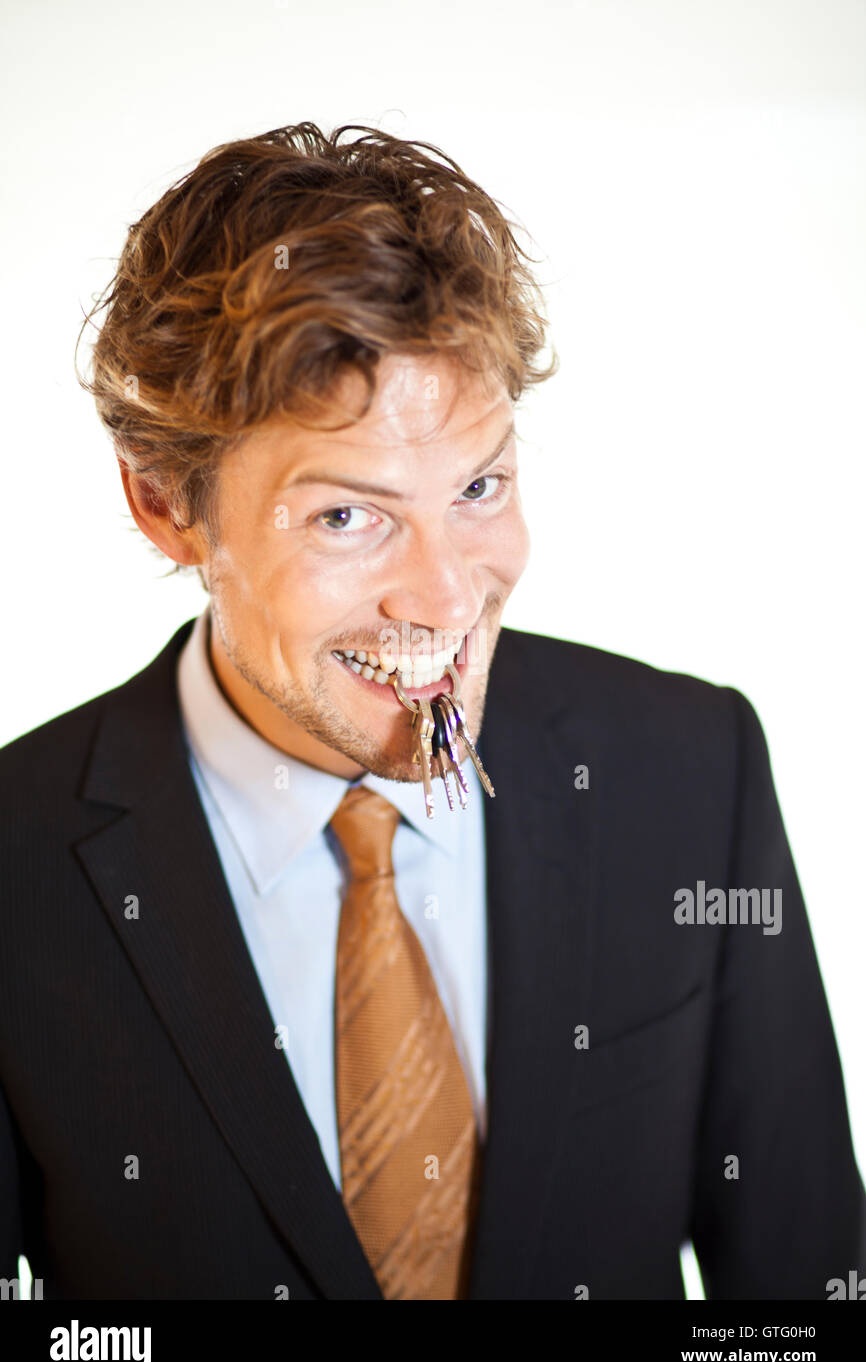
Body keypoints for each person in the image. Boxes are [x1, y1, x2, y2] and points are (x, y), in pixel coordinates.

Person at [1, 122, 863, 1302]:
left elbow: (805, 1298)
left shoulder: (689, 768)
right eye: (347, 517)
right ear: (165, 506)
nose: (449, 598)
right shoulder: (17, 863)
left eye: (476, 486)